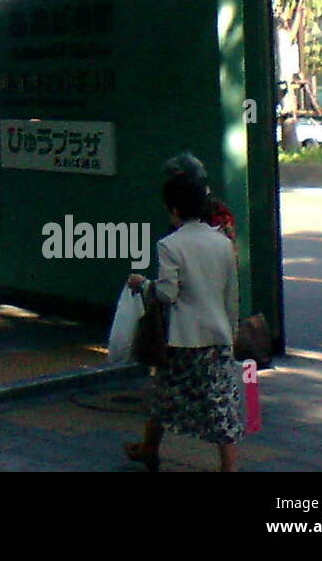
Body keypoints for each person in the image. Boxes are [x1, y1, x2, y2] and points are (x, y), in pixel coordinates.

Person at [125, 156, 243, 472]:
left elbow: (166, 293)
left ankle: (149, 450)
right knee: (221, 407)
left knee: (165, 397)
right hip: (217, 338)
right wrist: (231, 332)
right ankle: (228, 470)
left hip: (182, 340)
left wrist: (142, 284)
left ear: (174, 209)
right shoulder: (222, 243)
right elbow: (232, 294)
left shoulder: (169, 245)